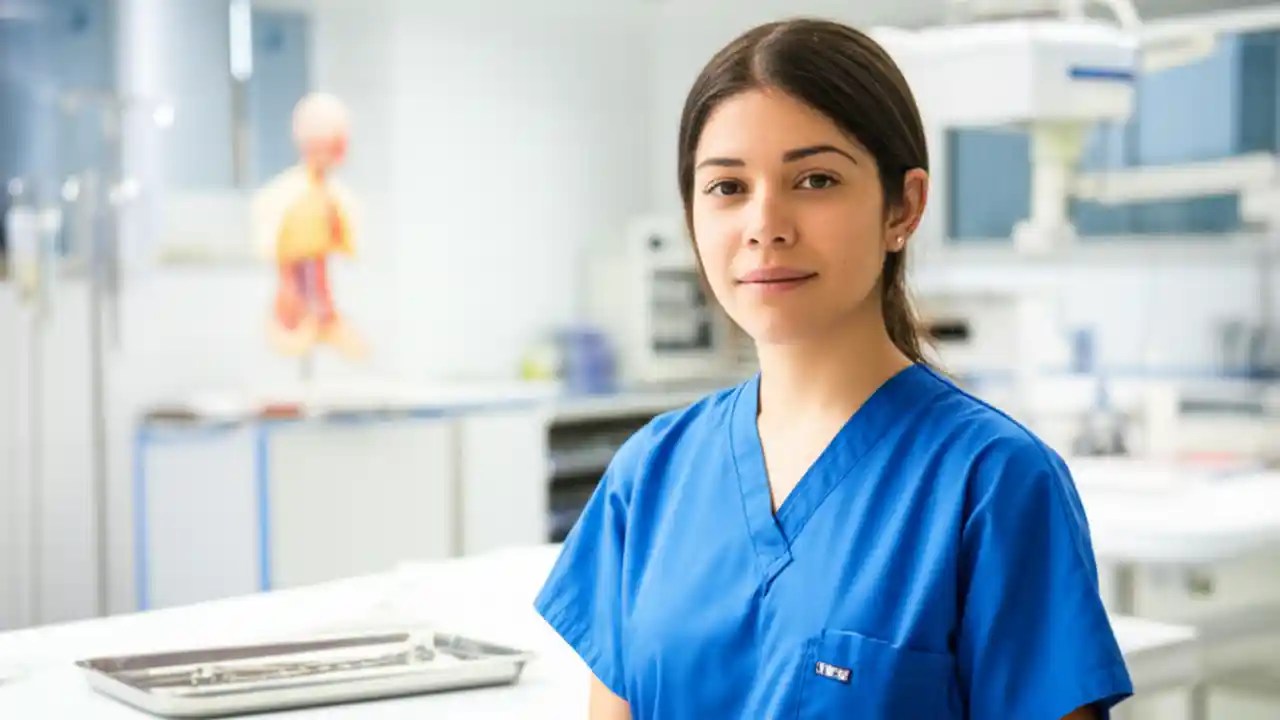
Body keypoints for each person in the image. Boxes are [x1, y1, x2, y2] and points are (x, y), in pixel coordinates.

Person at [533, 17, 1134, 720]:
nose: (766, 224)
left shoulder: (992, 483)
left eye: (814, 180)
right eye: (727, 188)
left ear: (902, 207)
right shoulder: (651, 475)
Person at [253, 91, 366, 362]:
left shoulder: (342, 200)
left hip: (324, 318)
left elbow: (347, 254)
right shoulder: (280, 198)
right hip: (293, 320)